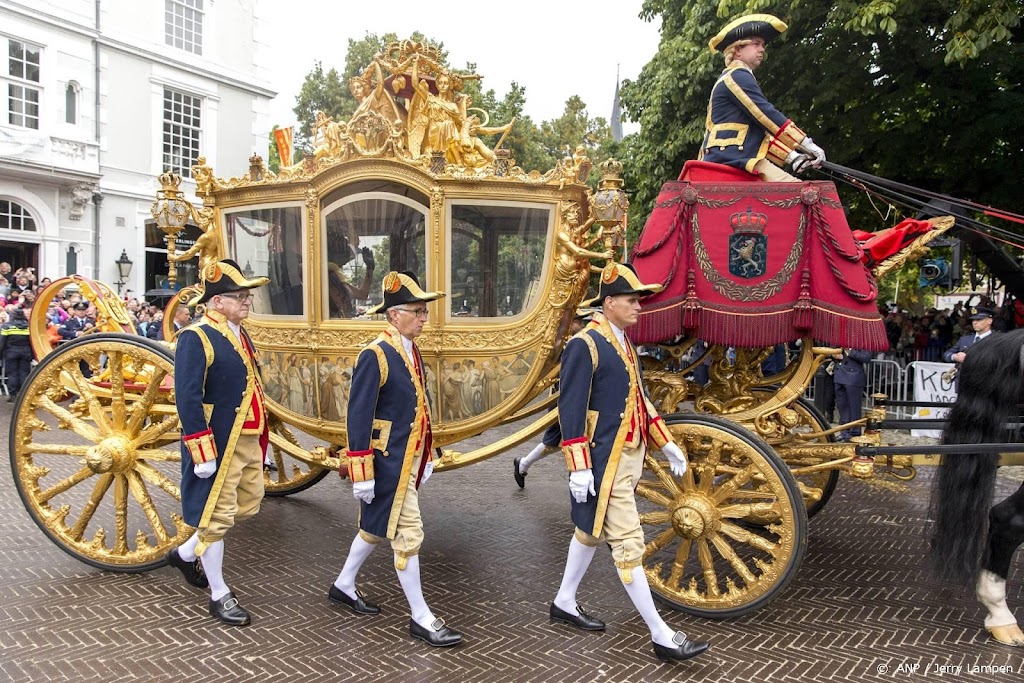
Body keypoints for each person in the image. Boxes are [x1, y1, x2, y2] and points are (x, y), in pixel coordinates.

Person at [549, 262, 710, 662]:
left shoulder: (622, 341)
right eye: (632, 300)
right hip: (603, 461)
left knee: (589, 531)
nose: (639, 307)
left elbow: (639, 399)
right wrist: (578, 465)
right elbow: (570, 409)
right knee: (628, 544)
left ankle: (564, 600)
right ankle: (661, 634)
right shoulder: (585, 344)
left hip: (627, 456)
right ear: (609, 303)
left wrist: (665, 443)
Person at [330, 271, 462, 648]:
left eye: (424, 311)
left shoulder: (409, 349)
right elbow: (358, 416)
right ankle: (421, 616)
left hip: (407, 457)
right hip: (386, 462)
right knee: (409, 535)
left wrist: (428, 452)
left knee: (375, 527)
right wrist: (362, 472)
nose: (423, 318)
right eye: (416, 311)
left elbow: (420, 406)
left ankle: (344, 584)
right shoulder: (375, 354)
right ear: (393, 315)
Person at [165, 259, 270, 627]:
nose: (247, 301)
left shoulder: (240, 333)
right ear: (217, 301)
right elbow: (187, 397)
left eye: (246, 296)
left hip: (247, 435)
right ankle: (219, 593)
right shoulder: (195, 337)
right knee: (217, 516)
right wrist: (201, 449)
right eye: (238, 296)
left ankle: (185, 553)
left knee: (248, 502)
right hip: (219, 439)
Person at [700, 14, 825, 181]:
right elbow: (766, 114)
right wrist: (805, 144)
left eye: (763, 45)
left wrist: (792, 157)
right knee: (803, 192)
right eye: (756, 44)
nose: (762, 49)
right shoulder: (737, 75)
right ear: (738, 49)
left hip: (736, 157)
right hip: (732, 159)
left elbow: (755, 134)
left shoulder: (734, 76)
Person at [514, 309, 595, 488]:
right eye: (577, 321)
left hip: (575, 395)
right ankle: (524, 464)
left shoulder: (577, 341)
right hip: (562, 396)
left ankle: (524, 464)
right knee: (553, 441)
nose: (581, 324)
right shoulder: (560, 344)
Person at [944, 305, 996, 386]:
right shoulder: (965, 339)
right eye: (973, 320)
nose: (974, 323)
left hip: (986, 384)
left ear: (989, 321)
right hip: (964, 384)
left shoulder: (997, 340)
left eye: (979, 320)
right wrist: (954, 357)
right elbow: (946, 354)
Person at [832, 348, 872, 441]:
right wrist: (835, 355)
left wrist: (850, 351)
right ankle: (844, 431)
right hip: (840, 374)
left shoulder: (863, 342)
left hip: (854, 376)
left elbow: (866, 357)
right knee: (842, 406)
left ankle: (854, 432)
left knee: (854, 407)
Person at [0, 307, 32, 401]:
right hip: (25, 352)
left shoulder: (7, 326)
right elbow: (32, 342)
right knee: (24, 373)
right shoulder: (29, 326)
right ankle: (23, 395)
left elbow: (2, 342)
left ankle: (13, 395)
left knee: (12, 374)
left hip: (11, 353)